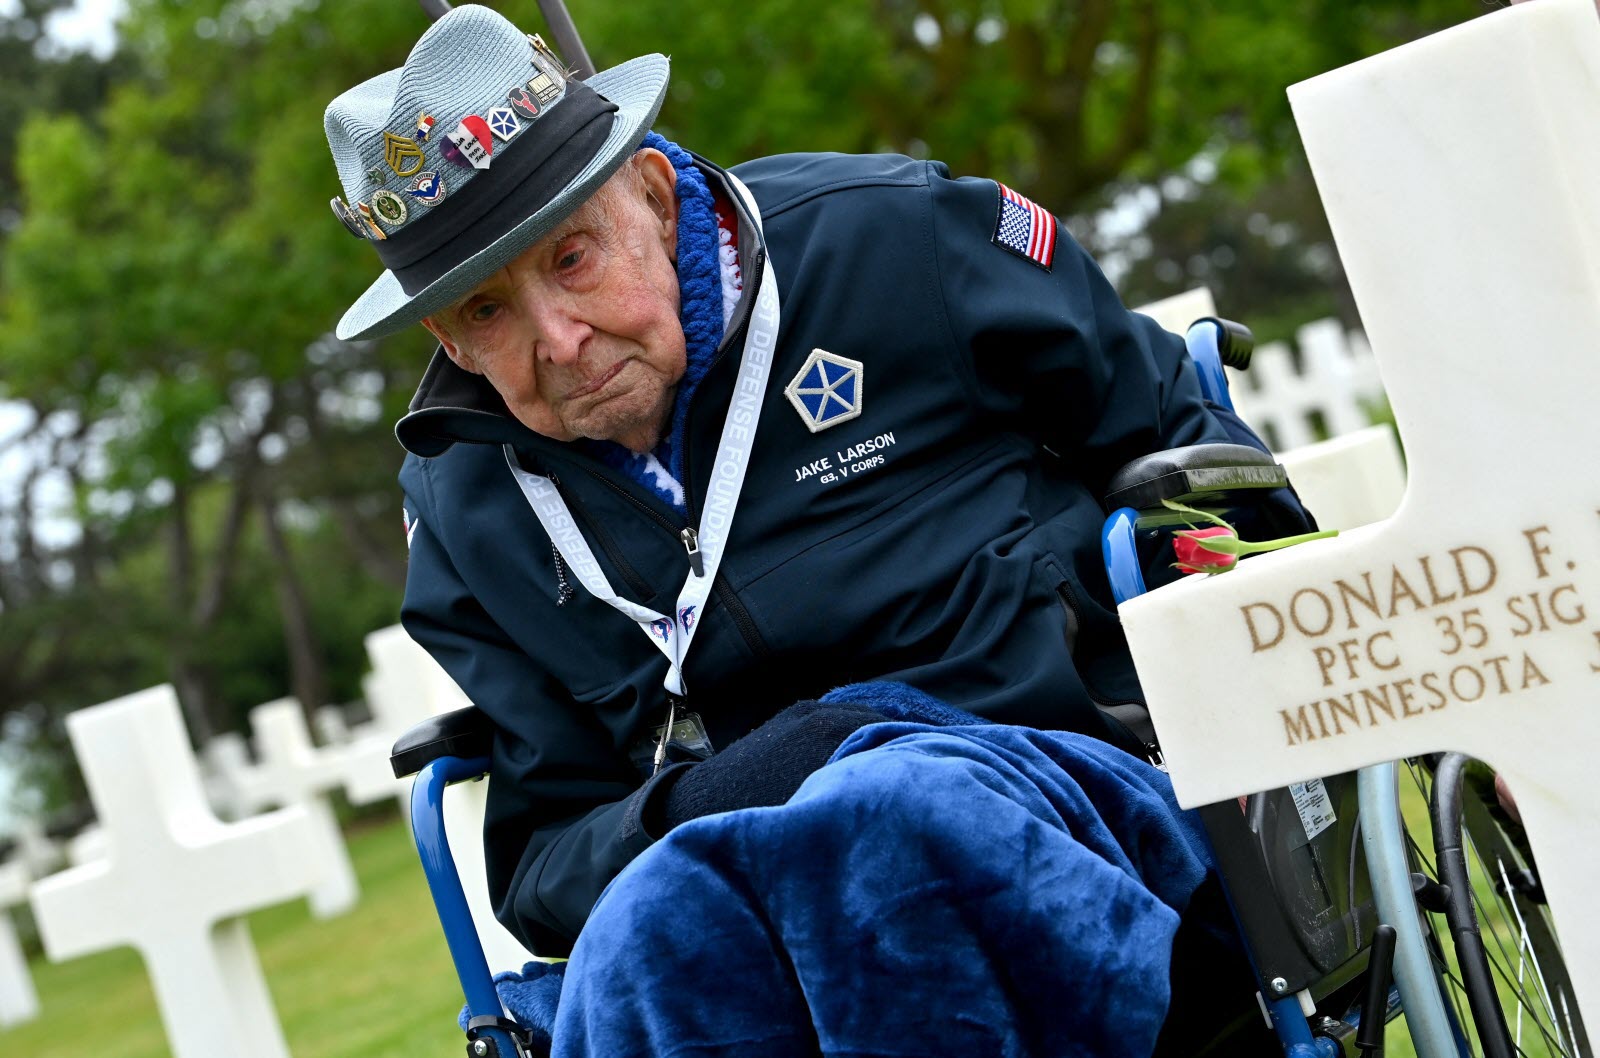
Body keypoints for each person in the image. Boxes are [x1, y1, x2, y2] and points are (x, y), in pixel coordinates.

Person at [322, 5, 1291, 964]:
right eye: (489, 309)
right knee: (638, 972)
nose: (560, 340)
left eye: (571, 258)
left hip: (1069, 792)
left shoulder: (900, 238)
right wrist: (704, 801)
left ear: (654, 199)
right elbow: (545, 866)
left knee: (895, 854)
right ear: (445, 340)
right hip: (743, 913)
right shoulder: (461, 509)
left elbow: (1193, 457)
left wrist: (1221, 709)